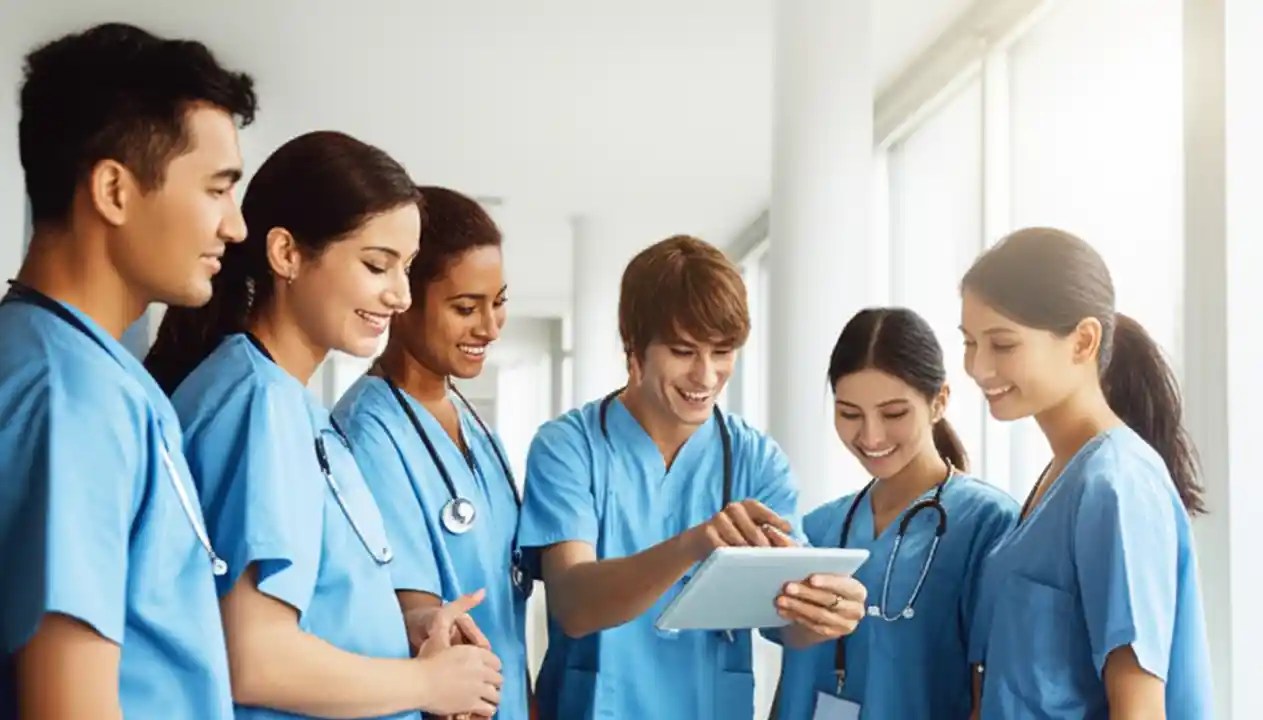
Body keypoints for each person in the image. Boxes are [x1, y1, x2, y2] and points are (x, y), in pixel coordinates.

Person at [144, 131, 503, 719]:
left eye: (407, 269)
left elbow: (311, 607)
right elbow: (254, 658)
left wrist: (403, 626)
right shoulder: (258, 405)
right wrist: (426, 684)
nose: (400, 296)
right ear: (285, 254)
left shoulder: (291, 405)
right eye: (376, 265)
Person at [0, 22, 256, 719]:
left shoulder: (80, 368)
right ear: (114, 190)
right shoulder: (70, 396)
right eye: (217, 189)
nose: (235, 227)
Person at [517, 234, 868, 720]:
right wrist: (692, 546)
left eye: (723, 352)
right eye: (683, 351)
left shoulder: (756, 459)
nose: (706, 376)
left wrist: (827, 613)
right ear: (634, 347)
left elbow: (786, 622)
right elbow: (574, 605)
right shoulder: (570, 447)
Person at [960, 228, 1212, 719]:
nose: (979, 368)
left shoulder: (1116, 485)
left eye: (1003, 344)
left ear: (1083, 341)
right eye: (970, 342)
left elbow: (1138, 709)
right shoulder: (1060, 477)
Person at [333, 186, 531, 719]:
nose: (489, 327)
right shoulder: (368, 429)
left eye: (499, 301)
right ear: (402, 300)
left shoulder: (470, 419)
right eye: (466, 307)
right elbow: (405, 605)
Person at [770, 307, 1018, 720]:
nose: (871, 436)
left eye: (893, 414)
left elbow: (990, 692)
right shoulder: (817, 529)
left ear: (939, 401)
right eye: (849, 413)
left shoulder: (988, 524)